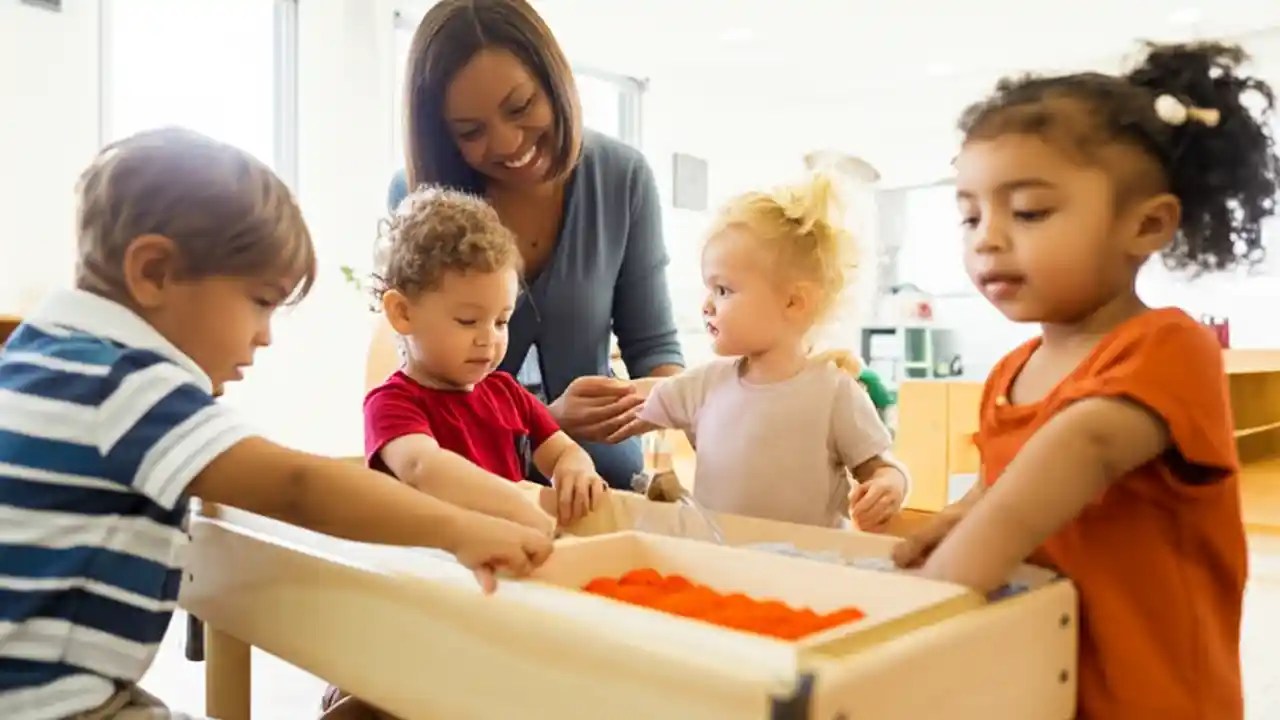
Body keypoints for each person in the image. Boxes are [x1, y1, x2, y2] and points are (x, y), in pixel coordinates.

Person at [0, 127, 553, 720]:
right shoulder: (125, 385)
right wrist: (460, 531)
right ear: (154, 272)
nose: (264, 335)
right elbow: (297, 486)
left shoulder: (37, 356)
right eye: (260, 302)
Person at [891, 41, 1278, 719]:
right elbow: (998, 488)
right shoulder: (1009, 372)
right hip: (1043, 681)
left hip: (1153, 696)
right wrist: (952, 520)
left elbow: (1080, 448)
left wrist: (924, 606)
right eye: (971, 216)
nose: (986, 239)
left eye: (1029, 211)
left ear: (1147, 225)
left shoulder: (1167, 347)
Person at [386, 0, 684, 488]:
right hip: (475, 487)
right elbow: (422, 376)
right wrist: (547, 421)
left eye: (520, 107)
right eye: (471, 131)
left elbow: (653, 347)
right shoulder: (419, 195)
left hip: (601, 485)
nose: (507, 143)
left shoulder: (622, 177)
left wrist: (672, 400)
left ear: (554, 81)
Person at [610, 173, 910, 531]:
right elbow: (628, 406)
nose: (707, 305)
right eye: (709, 289)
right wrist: (560, 423)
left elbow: (880, 467)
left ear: (793, 302)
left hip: (805, 561)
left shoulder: (834, 393)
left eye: (723, 290)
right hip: (718, 558)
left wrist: (890, 485)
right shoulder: (703, 384)